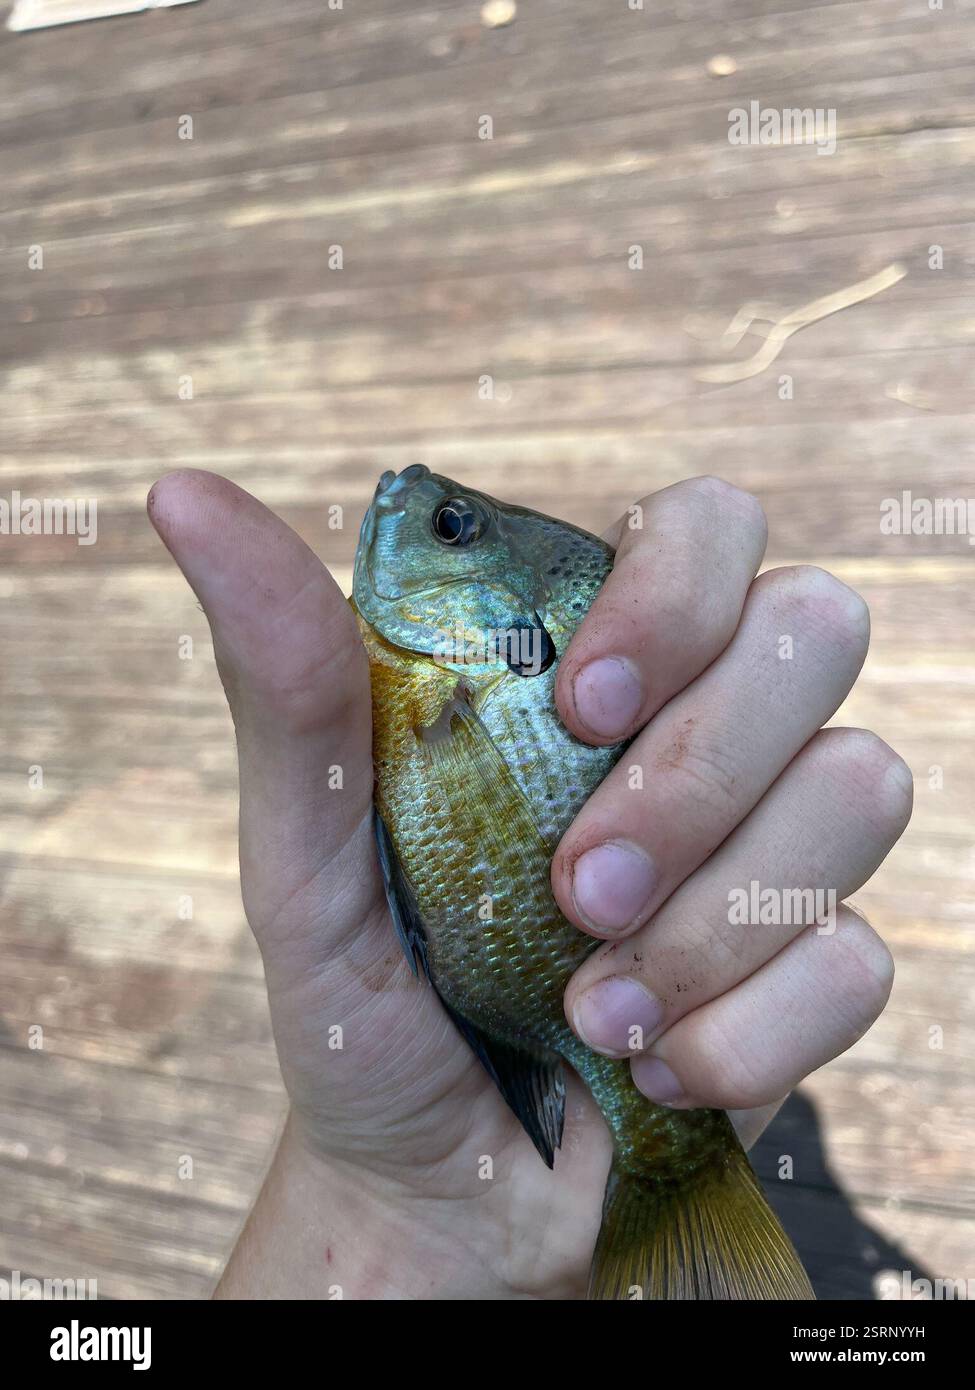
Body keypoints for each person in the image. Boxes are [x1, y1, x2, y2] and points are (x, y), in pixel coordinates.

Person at [147, 470, 912, 1300]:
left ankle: (675, 1169)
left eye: (449, 527)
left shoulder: (441, 675)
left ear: (504, 610)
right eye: (453, 526)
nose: (403, 502)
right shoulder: (434, 672)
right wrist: (374, 1202)